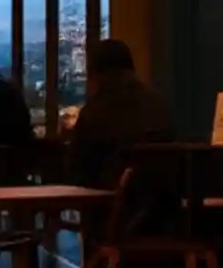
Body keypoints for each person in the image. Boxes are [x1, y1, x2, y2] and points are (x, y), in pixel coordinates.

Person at [68, 39, 173, 188]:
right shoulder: (159, 105)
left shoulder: (95, 112)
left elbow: (77, 171)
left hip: (111, 204)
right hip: (164, 204)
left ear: (95, 73)